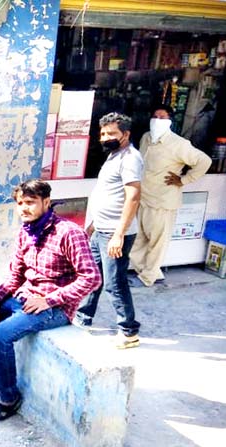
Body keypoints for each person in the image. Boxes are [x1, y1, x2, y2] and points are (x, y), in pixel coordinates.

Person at [0, 179, 101, 421]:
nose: (24, 208)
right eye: (20, 203)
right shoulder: (26, 232)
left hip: (55, 308)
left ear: (46, 202)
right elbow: (15, 276)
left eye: (30, 202)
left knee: (0, 335)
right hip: (24, 299)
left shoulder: (69, 233)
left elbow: (91, 278)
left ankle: (8, 398)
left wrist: (49, 299)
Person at [74, 112, 143, 349]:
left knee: (114, 283)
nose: (105, 138)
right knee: (92, 277)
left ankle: (128, 331)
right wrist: (93, 225)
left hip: (114, 234)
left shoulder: (130, 158)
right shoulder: (114, 155)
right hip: (101, 230)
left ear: (126, 134)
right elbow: (108, 193)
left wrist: (118, 235)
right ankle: (82, 318)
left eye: (111, 133)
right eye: (103, 133)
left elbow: (133, 197)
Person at [130, 105, 212, 287]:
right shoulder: (146, 138)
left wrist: (184, 180)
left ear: (170, 122)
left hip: (162, 202)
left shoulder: (179, 144)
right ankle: (147, 271)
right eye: (155, 116)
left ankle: (147, 277)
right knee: (138, 239)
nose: (157, 121)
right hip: (143, 198)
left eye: (162, 117)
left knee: (157, 243)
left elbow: (204, 161)